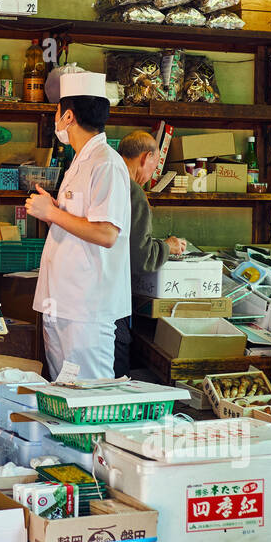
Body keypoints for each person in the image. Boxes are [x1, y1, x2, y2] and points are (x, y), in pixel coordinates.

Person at [28, 71, 131, 379]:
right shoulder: (80, 160)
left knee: (90, 401)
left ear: (69, 115)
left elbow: (107, 233)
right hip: (62, 303)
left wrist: (54, 213)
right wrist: (57, 210)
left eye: (58, 112)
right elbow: (86, 221)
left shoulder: (106, 163)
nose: (55, 119)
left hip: (87, 310)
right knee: (63, 395)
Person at [114, 130, 187, 376]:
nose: (151, 176)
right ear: (146, 158)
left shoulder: (106, 178)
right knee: (116, 377)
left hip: (85, 302)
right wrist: (168, 246)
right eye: (154, 168)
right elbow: (141, 257)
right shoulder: (132, 190)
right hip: (111, 303)